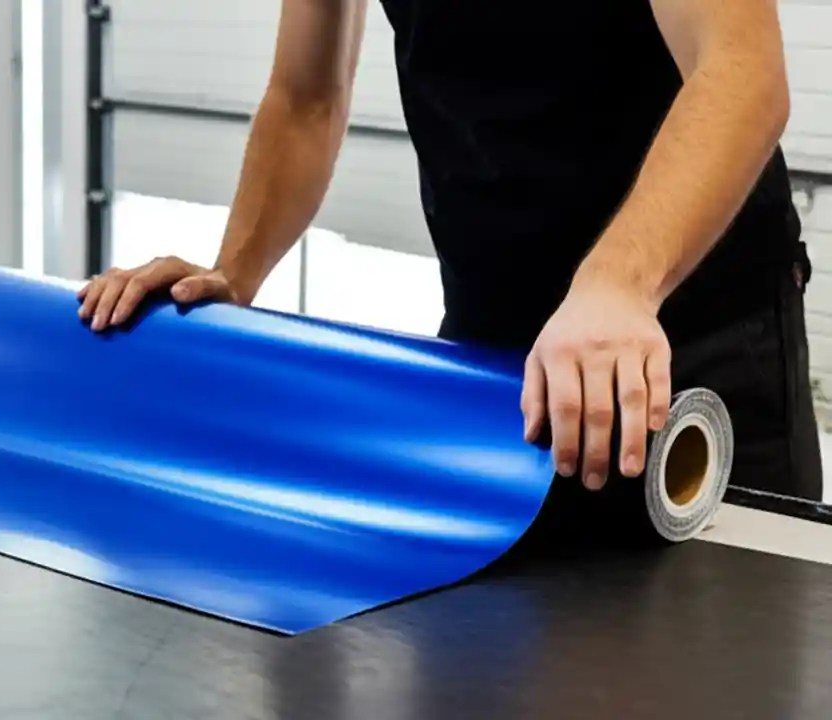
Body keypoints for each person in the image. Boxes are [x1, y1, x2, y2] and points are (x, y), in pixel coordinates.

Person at [76, 0, 823, 501]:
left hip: (695, 332)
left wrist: (618, 284)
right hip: (495, 347)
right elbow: (306, 96)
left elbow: (741, 74)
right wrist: (232, 274)